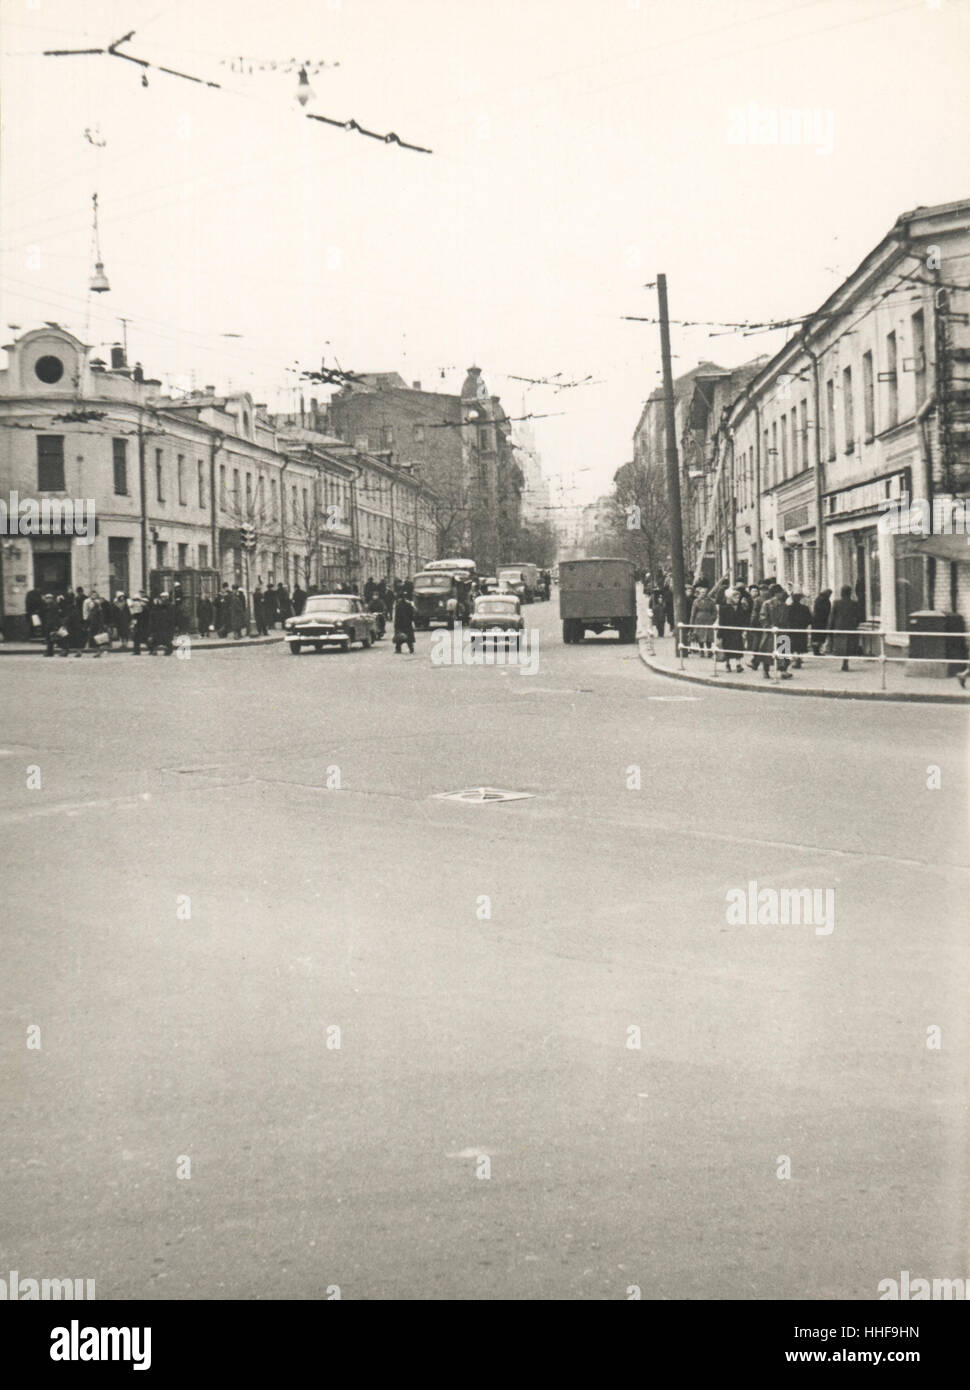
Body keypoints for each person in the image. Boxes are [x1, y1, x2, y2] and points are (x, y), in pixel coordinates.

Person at [760, 583, 794, 679]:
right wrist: (769, 627)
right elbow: (763, 617)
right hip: (771, 632)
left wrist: (786, 629)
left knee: (784, 650)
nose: (782, 594)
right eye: (780, 593)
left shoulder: (784, 605)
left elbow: (787, 618)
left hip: (782, 630)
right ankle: (765, 670)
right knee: (768, 652)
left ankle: (783, 670)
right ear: (776, 593)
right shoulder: (767, 604)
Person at [829, 585, 862, 671]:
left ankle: (844, 661)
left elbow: (832, 616)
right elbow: (858, 616)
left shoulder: (836, 603)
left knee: (841, 644)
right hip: (850, 626)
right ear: (850, 593)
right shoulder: (854, 603)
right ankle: (846, 661)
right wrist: (855, 624)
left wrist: (830, 627)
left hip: (839, 626)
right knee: (849, 644)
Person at [716, 587, 744, 672]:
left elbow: (742, 618)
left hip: (737, 631)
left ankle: (738, 664)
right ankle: (727, 664)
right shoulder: (724, 608)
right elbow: (721, 620)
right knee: (727, 647)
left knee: (738, 648)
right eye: (735, 597)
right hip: (727, 632)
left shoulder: (740, 607)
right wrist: (720, 633)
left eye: (738, 598)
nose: (737, 599)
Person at [688, 584, 717, 658]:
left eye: (704, 592)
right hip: (699, 620)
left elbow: (714, 611)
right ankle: (701, 651)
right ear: (699, 593)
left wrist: (712, 618)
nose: (703, 594)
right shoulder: (696, 601)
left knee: (708, 636)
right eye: (701, 592)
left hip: (708, 620)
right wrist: (692, 623)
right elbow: (693, 613)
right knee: (699, 636)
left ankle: (709, 651)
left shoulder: (711, 601)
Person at [785, 592, 813, 669]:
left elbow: (786, 618)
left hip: (791, 629)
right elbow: (809, 619)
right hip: (801, 629)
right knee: (800, 645)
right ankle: (798, 659)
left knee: (792, 644)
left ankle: (793, 658)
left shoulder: (788, 608)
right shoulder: (805, 608)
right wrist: (805, 625)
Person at [812, 588, 833, 655]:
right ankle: (817, 651)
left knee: (816, 636)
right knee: (820, 636)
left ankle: (816, 650)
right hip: (821, 621)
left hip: (816, 620)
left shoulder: (818, 599)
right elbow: (826, 611)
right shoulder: (825, 600)